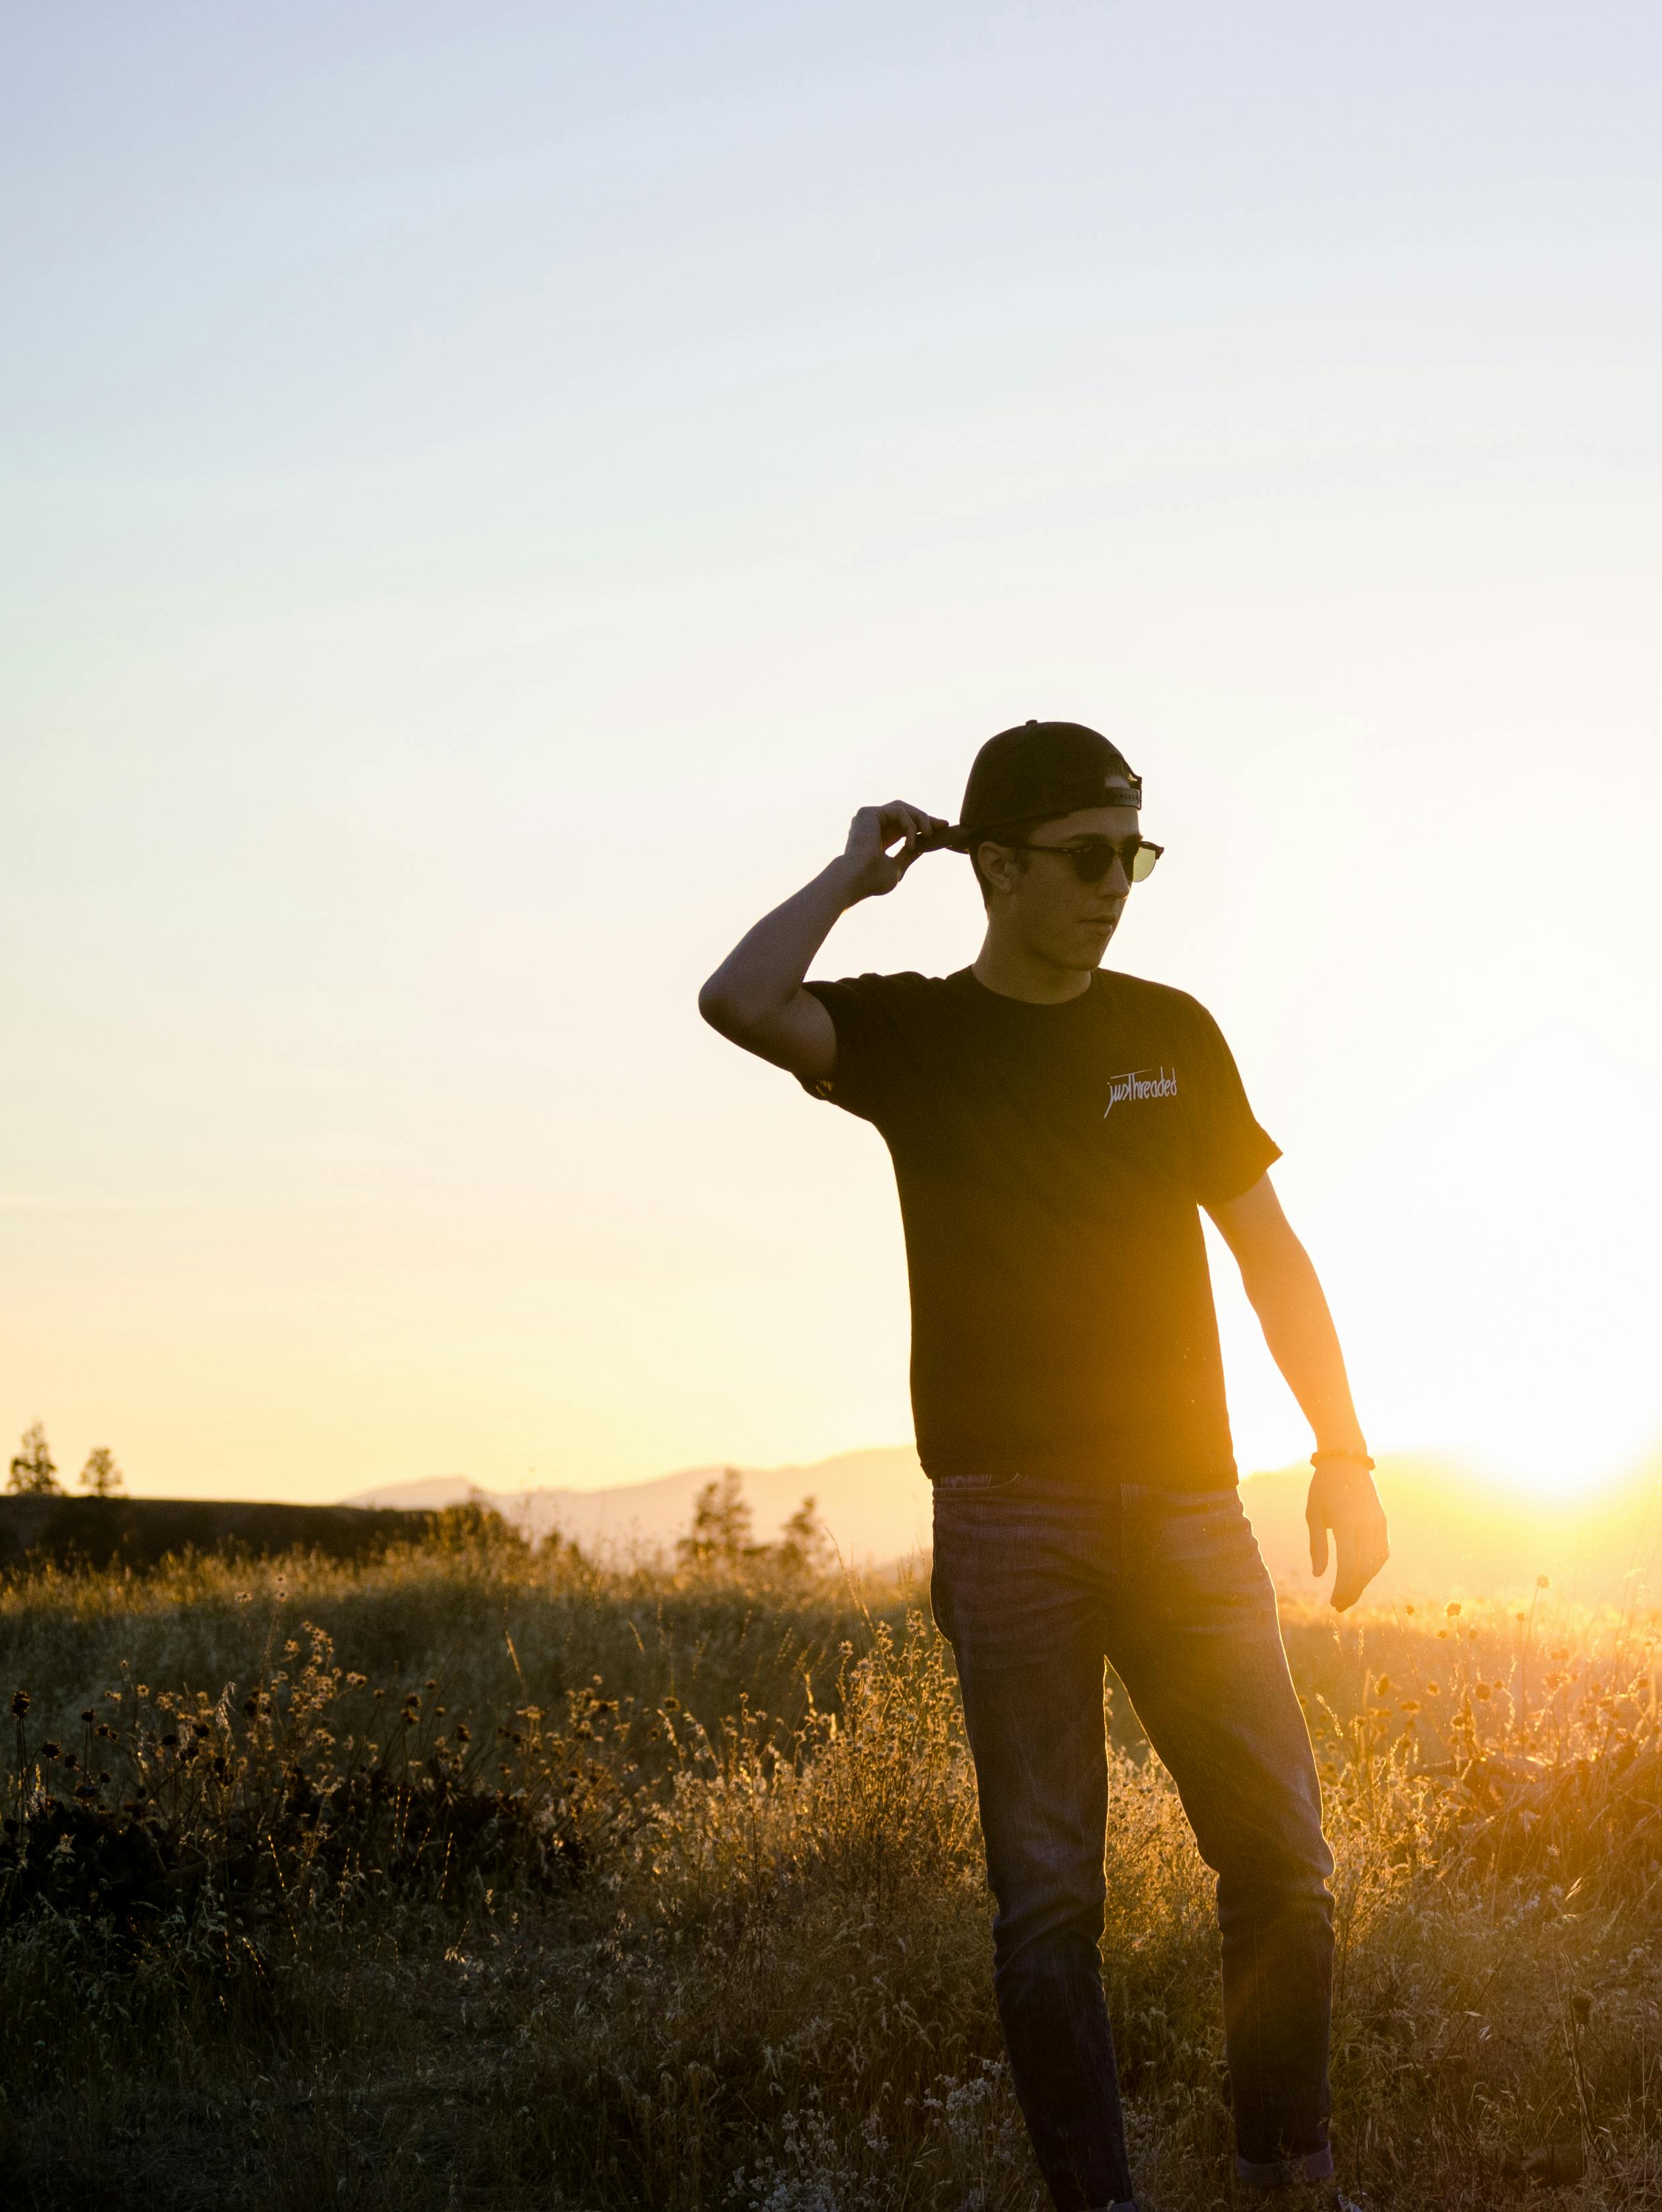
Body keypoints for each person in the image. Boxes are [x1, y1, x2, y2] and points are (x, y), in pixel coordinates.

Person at [697, 719, 1388, 2212]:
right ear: (995, 867)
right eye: (1084, 858)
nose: (1116, 888)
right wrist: (847, 875)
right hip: (1013, 1522)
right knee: (1049, 1907)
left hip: (1198, 1513)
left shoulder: (1172, 1032)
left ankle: (1289, 2181)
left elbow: (1272, 1259)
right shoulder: (915, 1037)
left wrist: (1345, 1450)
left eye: (1132, 855)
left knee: (1282, 1867)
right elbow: (740, 999)